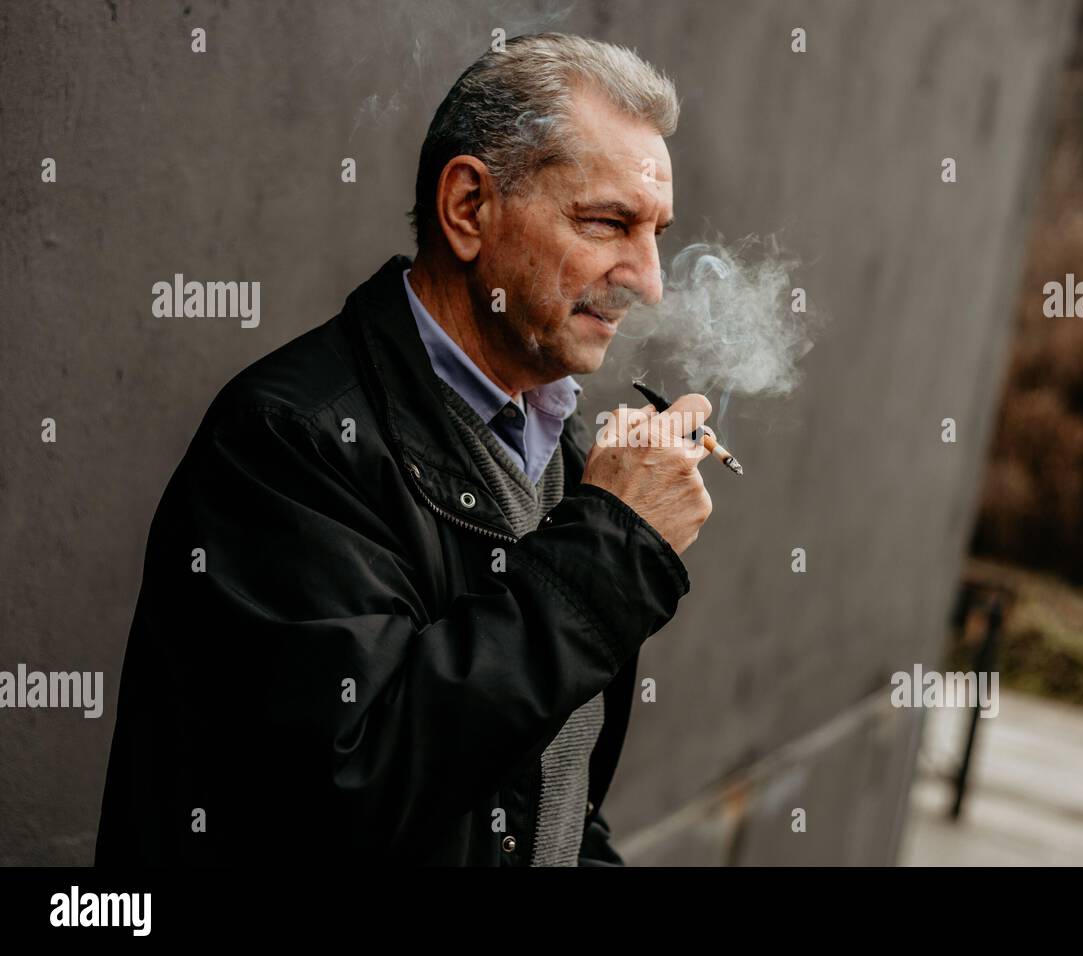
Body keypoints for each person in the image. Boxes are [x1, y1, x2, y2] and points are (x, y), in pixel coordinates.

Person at [95, 32, 713, 866]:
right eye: (608, 223)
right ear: (468, 208)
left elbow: (546, 795)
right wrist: (611, 550)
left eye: (657, 234)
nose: (647, 278)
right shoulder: (291, 441)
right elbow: (350, 777)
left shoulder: (559, 455)